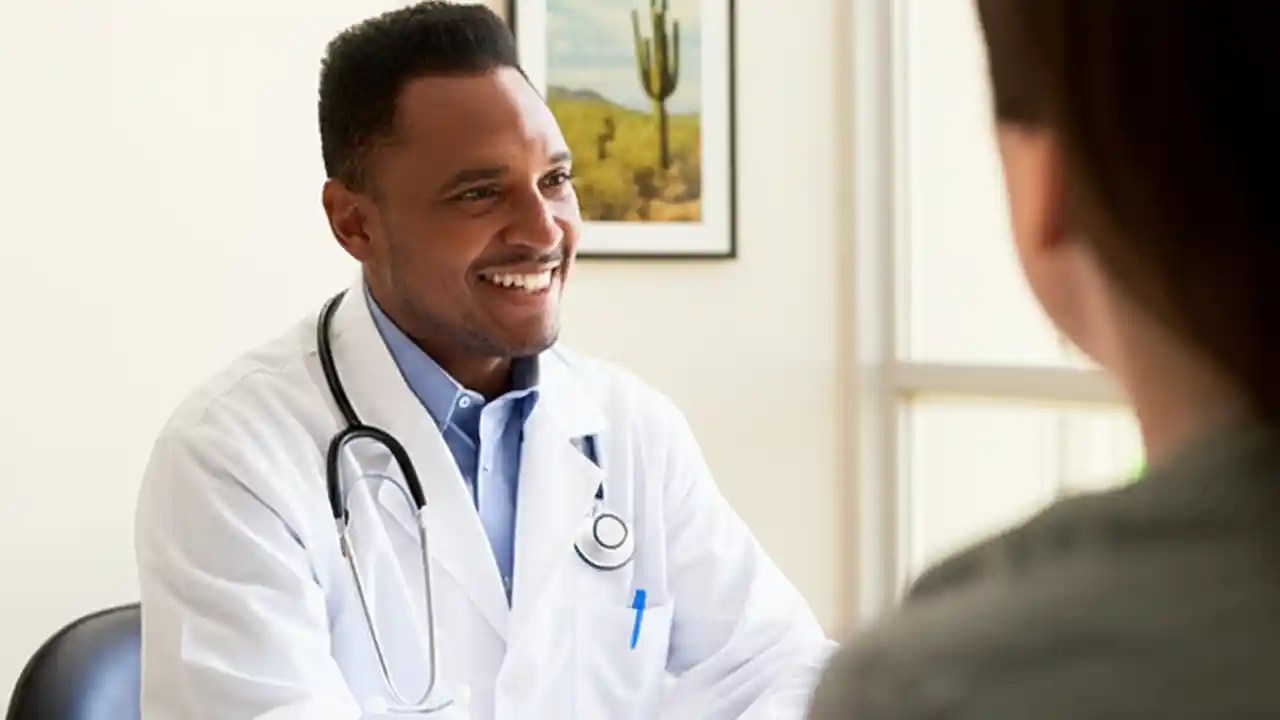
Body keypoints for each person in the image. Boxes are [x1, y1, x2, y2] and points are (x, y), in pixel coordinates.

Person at [133, 3, 832, 719]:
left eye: (555, 180)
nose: (543, 230)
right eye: (479, 193)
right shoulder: (233, 458)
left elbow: (780, 666)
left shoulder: (631, 430)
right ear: (354, 222)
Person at [809, 1, 1280, 718]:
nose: (564, 227)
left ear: (1047, 180)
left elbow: (760, 654)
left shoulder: (962, 680)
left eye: (566, 183)